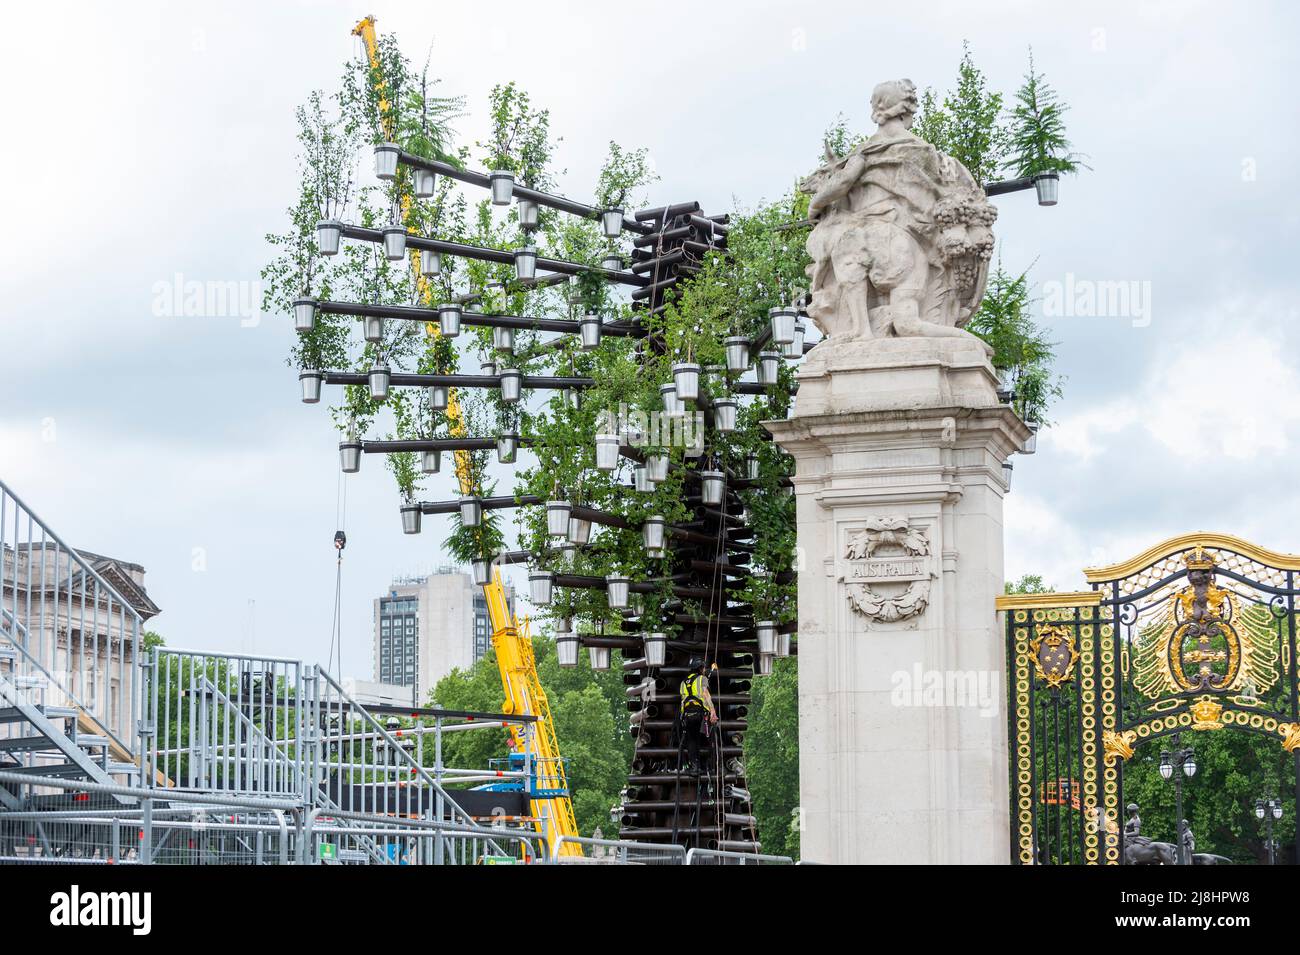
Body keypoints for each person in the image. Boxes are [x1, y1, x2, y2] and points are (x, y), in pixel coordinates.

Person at [678, 658, 718, 775]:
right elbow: (706, 694)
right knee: (710, 738)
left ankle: (695, 767)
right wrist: (713, 711)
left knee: (692, 740)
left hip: (687, 716)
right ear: (700, 668)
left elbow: (682, 701)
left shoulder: (683, 682)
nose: (705, 670)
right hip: (701, 715)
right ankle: (712, 766)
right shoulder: (702, 679)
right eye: (703, 668)